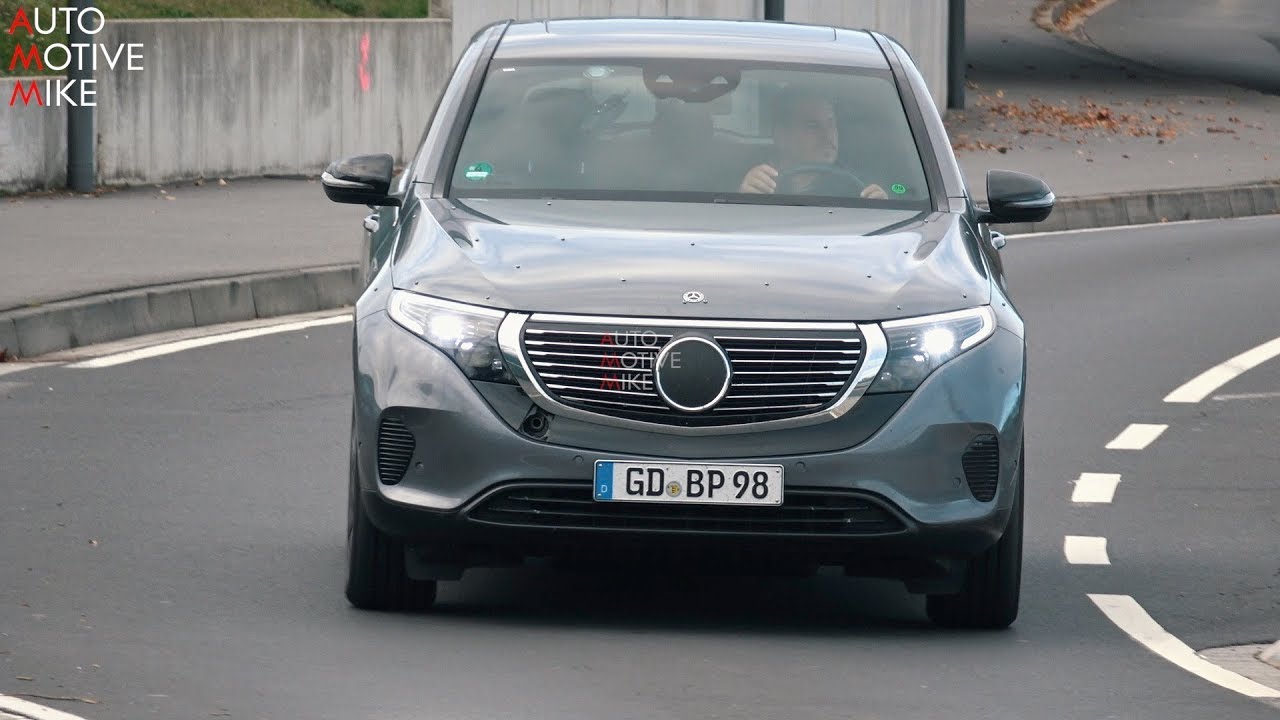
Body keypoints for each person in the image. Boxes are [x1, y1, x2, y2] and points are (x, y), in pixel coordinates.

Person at [738, 87, 889, 199]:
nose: (828, 135)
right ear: (781, 136)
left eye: (831, 123)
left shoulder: (857, 185)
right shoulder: (750, 177)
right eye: (812, 126)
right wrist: (743, 197)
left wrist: (881, 207)